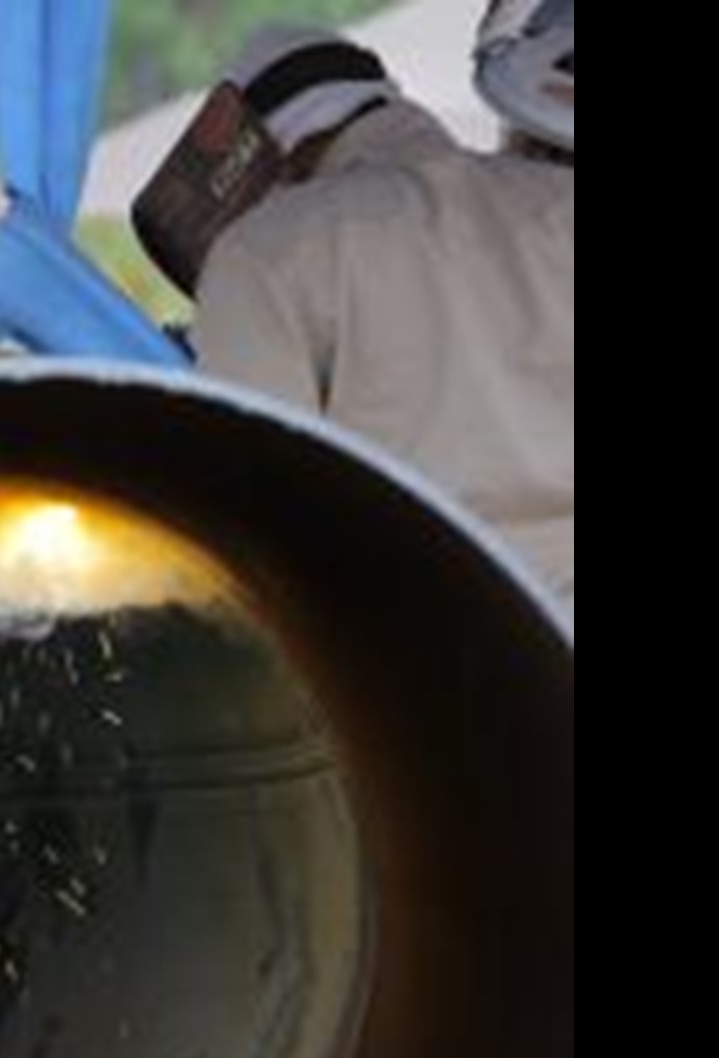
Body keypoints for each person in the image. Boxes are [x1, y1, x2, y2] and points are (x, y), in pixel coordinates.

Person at [167, 8, 574, 609]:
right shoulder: (539, 211)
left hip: (435, 646)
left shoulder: (273, 249)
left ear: (279, 158)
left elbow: (243, 526)